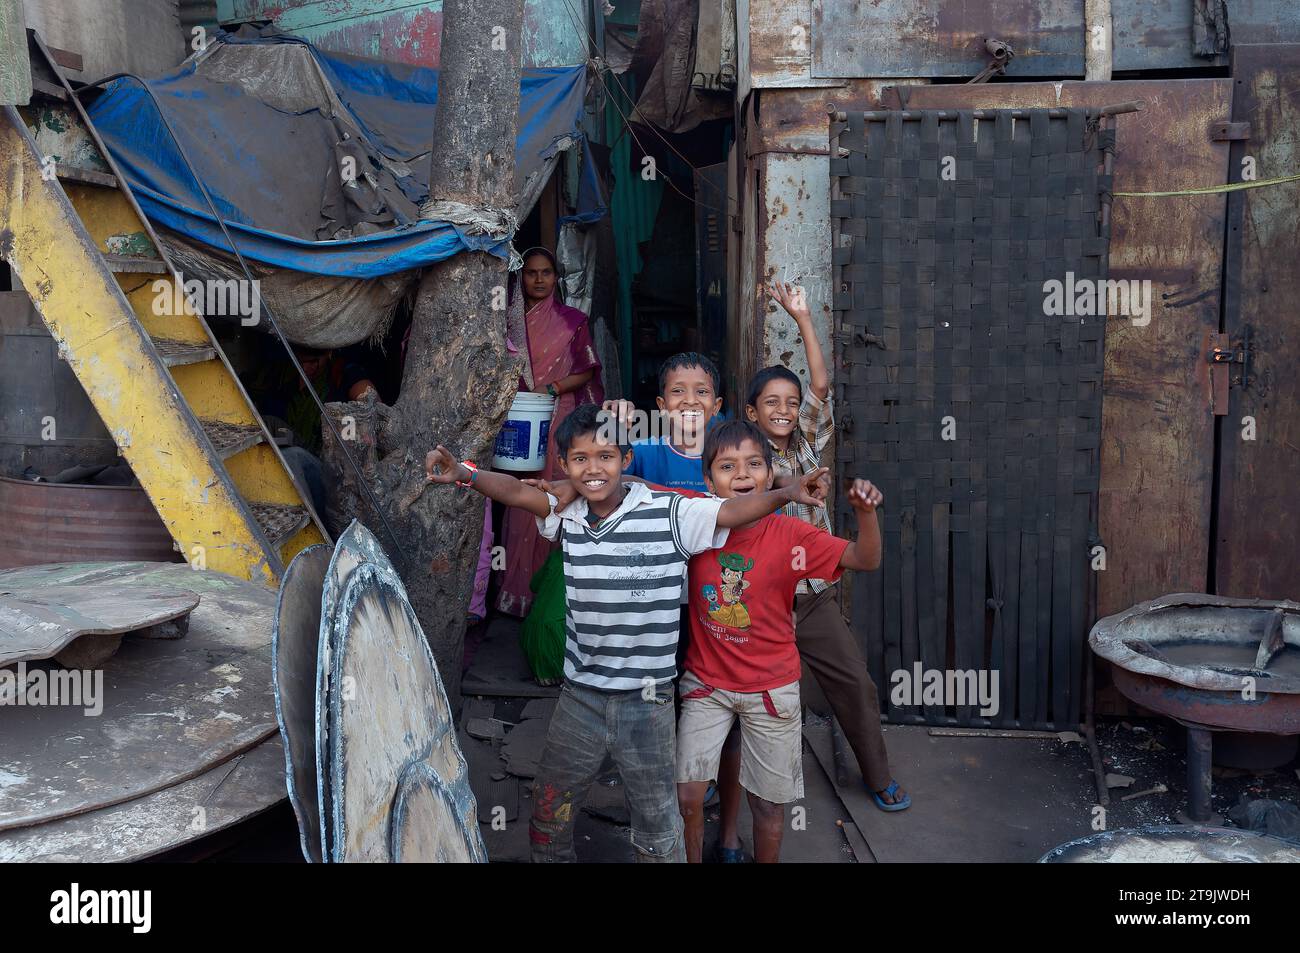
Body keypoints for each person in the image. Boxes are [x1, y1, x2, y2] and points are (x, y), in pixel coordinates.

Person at [424, 403, 827, 862]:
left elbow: (733, 512)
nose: (594, 469)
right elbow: (515, 492)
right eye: (580, 459)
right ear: (564, 465)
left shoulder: (670, 512)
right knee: (550, 812)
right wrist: (465, 473)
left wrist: (787, 491)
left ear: (626, 460)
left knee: (657, 822)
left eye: (606, 457)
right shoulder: (566, 514)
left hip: (648, 700)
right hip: (580, 697)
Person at [739, 280, 909, 832]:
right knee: (736, 699)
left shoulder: (809, 443)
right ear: (750, 413)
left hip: (811, 598)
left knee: (853, 684)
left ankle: (878, 776)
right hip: (757, 599)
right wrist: (786, 482)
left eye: (790, 404)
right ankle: (728, 805)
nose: (785, 410)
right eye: (772, 403)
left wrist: (803, 318)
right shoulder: (743, 458)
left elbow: (819, 383)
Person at [676, 420, 883, 863]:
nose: (743, 474)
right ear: (707, 481)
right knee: (690, 794)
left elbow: (863, 558)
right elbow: (634, 486)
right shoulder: (692, 518)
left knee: (768, 806)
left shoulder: (791, 536)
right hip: (706, 685)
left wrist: (865, 514)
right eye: (727, 466)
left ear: (771, 476)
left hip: (771, 689)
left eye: (754, 464)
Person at [496, 247, 604, 617]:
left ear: (556, 278)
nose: (538, 279)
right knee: (525, 489)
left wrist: (553, 388)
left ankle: (560, 594)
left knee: (559, 488)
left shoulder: (572, 320)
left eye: (546, 273)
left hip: (560, 411)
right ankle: (520, 592)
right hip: (521, 416)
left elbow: (588, 368)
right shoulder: (506, 321)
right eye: (530, 273)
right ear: (520, 277)